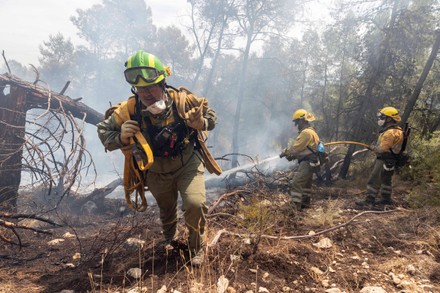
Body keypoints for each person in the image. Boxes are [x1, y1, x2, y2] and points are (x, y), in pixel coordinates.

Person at [97, 50, 221, 265]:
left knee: (194, 203)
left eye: (150, 87)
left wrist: (200, 123)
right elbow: (104, 133)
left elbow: (210, 116)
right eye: (140, 88)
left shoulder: (182, 100)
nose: (145, 93)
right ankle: (169, 239)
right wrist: (121, 136)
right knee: (166, 208)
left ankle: (196, 249)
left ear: (163, 83)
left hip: (187, 162)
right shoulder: (129, 110)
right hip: (154, 169)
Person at [356, 106, 404, 209]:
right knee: (386, 180)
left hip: (384, 160)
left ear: (389, 119)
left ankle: (369, 201)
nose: (381, 119)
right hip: (391, 161)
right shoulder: (398, 131)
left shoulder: (389, 133)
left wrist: (371, 147)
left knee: (374, 179)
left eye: (383, 117)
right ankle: (386, 199)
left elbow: (382, 149)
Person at [280, 109, 321, 211]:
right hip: (312, 161)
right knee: (306, 184)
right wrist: (292, 156)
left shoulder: (306, 133)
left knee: (297, 183)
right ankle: (305, 203)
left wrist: (286, 152)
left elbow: (296, 148)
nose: (296, 125)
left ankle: (295, 206)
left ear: (302, 120)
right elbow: (305, 149)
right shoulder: (312, 131)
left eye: (297, 122)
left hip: (307, 162)